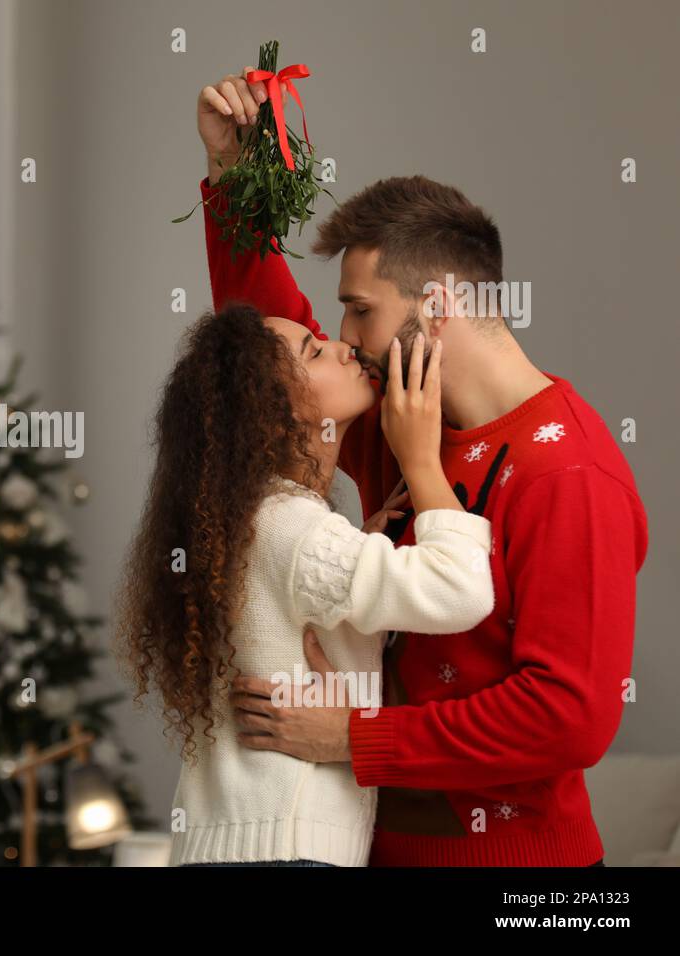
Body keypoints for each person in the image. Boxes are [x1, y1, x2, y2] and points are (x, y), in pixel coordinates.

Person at [195, 66, 647, 866]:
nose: (343, 335)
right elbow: (278, 356)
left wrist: (357, 737)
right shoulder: (401, 416)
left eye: (360, 311)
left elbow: (569, 717)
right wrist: (234, 170)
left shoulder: (568, 474)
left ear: (436, 308)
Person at [114, 303, 494, 867]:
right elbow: (461, 590)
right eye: (314, 352)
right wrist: (422, 464)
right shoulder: (293, 528)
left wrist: (362, 541)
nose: (344, 347)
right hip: (288, 852)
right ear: (271, 414)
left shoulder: (253, 519)